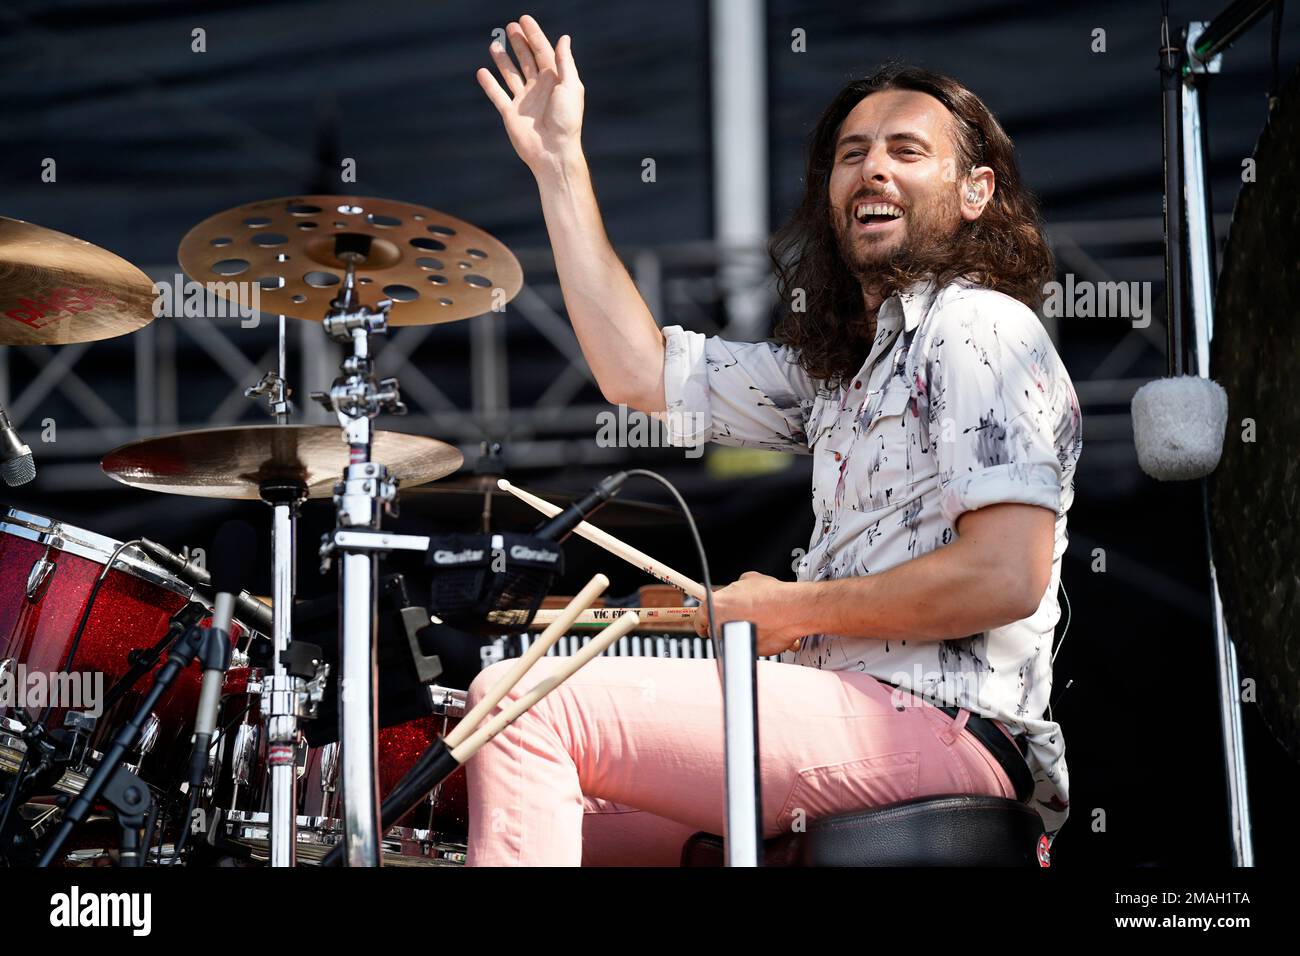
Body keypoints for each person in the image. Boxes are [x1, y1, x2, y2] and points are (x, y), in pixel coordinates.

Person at [464, 13, 1081, 866]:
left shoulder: (978, 326)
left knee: (520, 705)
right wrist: (560, 163)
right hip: (843, 718)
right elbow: (640, 374)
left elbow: (1007, 574)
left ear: (975, 193)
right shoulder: (844, 373)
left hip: (943, 727)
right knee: (544, 811)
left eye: (907, 150)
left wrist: (790, 611)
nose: (872, 167)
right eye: (853, 152)